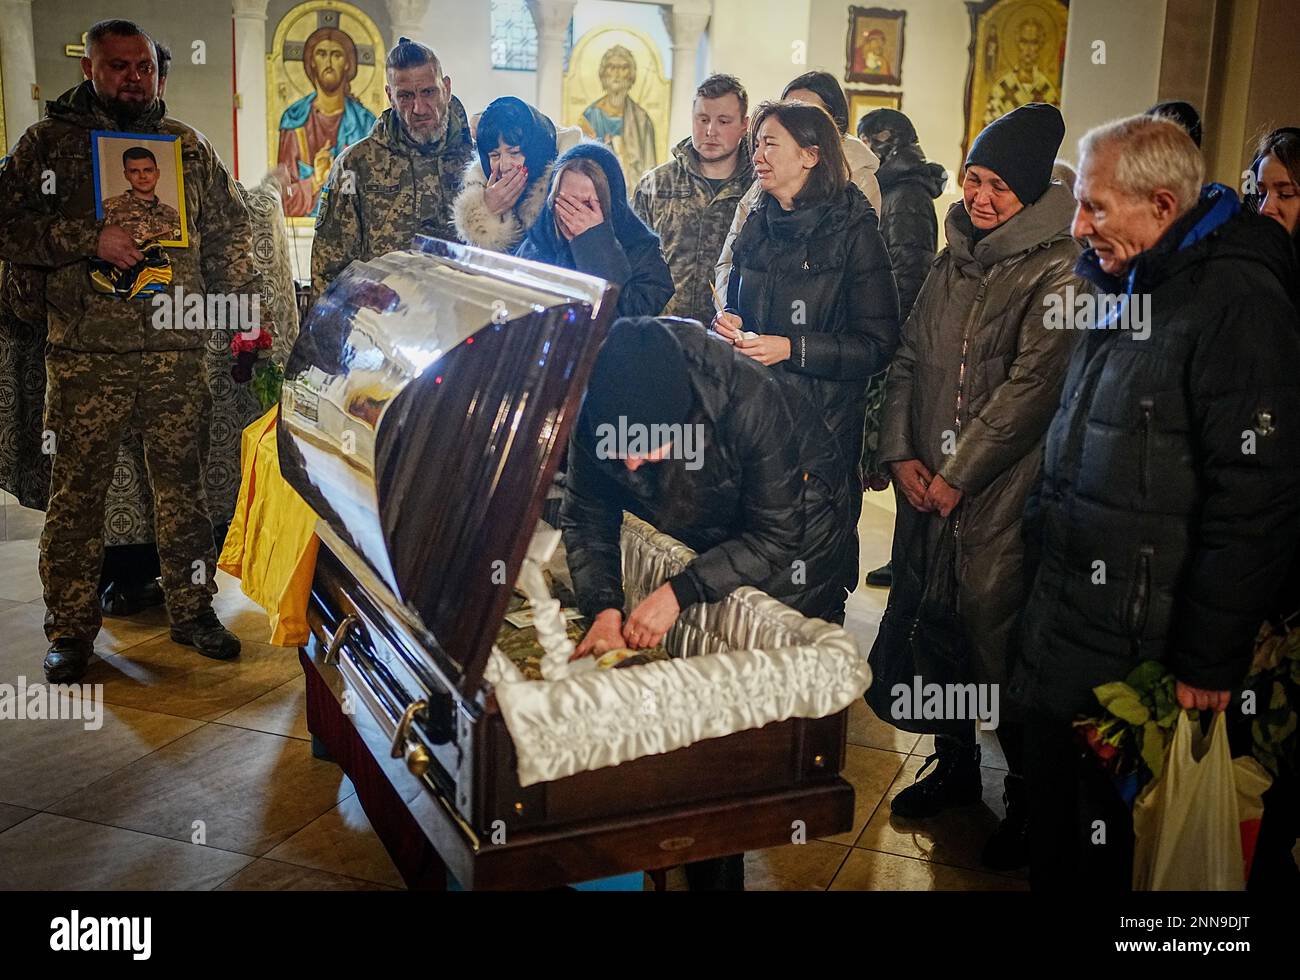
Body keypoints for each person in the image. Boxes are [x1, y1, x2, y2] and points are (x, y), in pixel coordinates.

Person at [1014, 114, 1300, 889]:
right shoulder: (1124, 281)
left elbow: (1256, 495)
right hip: (1072, 620)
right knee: (1062, 839)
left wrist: (1209, 657)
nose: (1078, 228)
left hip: (1145, 646)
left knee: (1119, 854)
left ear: (1163, 206)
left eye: (1095, 209)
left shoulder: (1237, 303)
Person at [0, 19, 266, 681]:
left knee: (185, 494)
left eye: (143, 66)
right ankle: (69, 631)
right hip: (84, 355)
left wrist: (243, 311)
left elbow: (229, 232)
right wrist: (90, 237)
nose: (133, 77)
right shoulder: (48, 144)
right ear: (90, 69)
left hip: (175, 352)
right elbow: (7, 224)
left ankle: (194, 610)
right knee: (76, 499)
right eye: (118, 66)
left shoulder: (186, 146)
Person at [561, 318, 859, 890]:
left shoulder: (746, 400)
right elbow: (587, 516)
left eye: (647, 448)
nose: (629, 465)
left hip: (796, 533)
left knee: (732, 740)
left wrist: (684, 591)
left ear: (685, 425)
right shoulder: (598, 402)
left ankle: (716, 864)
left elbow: (776, 537)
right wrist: (604, 607)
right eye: (619, 449)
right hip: (704, 524)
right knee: (688, 720)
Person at [872, 103, 1082, 872]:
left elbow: (1034, 388)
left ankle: (1025, 793)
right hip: (926, 488)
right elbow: (906, 362)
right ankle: (955, 764)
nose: (980, 196)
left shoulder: (1061, 268)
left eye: (997, 184)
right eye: (972, 178)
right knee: (935, 625)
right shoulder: (951, 256)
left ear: (1029, 194)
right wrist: (901, 456)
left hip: (1001, 492)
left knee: (999, 641)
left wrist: (959, 476)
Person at [713, 99, 898, 597]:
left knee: (807, 585)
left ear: (811, 156)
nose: (758, 155)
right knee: (749, 585)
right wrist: (728, 323)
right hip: (754, 426)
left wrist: (791, 348)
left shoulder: (854, 233)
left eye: (771, 143)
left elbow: (877, 345)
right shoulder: (760, 219)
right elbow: (737, 302)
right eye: (757, 145)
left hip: (821, 438)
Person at [855, 107, 948, 589]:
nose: (863, 149)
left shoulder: (905, 194)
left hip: (895, 336)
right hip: (890, 331)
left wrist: (888, 337)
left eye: (869, 140)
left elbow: (908, 270)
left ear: (888, 142)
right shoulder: (895, 186)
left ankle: (909, 561)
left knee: (895, 448)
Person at [311, 37, 473, 306]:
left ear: (446, 87)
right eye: (406, 96)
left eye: (429, 92)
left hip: (458, 322)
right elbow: (328, 272)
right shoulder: (356, 165)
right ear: (390, 96)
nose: (419, 108)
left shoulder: (475, 160)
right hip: (382, 327)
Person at [715, 70, 881, 298]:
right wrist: (731, 313)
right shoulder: (764, 186)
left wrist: (795, 334)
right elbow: (731, 263)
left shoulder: (857, 187)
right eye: (789, 108)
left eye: (806, 111)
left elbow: (861, 289)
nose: (794, 118)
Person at [632, 74, 753, 326]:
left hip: (732, 335)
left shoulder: (758, 188)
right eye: (703, 119)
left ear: (744, 125)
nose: (711, 131)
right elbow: (632, 261)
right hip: (662, 329)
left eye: (723, 121)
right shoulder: (656, 185)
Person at [515, 143, 673, 319]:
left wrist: (595, 243)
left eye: (587, 205)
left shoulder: (643, 251)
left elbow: (626, 321)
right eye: (566, 203)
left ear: (610, 205)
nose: (575, 215)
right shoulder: (537, 244)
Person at [451, 96, 582, 253]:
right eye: (494, 155)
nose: (505, 166)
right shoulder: (480, 183)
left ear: (536, 151)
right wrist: (488, 212)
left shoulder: (571, 185)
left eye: (514, 152)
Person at [276, 25, 377, 218]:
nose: (329, 62)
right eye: (321, 54)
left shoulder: (366, 123)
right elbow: (283, 198)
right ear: (311, 62)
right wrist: (316, 180)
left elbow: (376, 189)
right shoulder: (294, 120)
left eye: (337, 55)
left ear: (348, 63)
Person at [578, 44, 657, 191]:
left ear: (631, 74)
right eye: (612, 67)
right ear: (603, 73)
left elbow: (650, 168)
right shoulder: (589, 117)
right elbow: (581, 162)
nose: (617, 74)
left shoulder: (641, 120)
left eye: (623, 68)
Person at [984, 18, 1059, 125]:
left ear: (1040, 45)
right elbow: (989, 128)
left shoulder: (1046, 90)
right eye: (1024, 42)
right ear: (1017, 43)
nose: (1028, 50)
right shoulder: (1002, 88)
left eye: (1033, 43)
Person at [102, 146, 183, 244]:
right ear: (126, 175)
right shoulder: (109, 208)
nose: (142, 176)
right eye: (134, 171)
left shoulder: (171, 214)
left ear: (157, 173)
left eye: (148, 170)